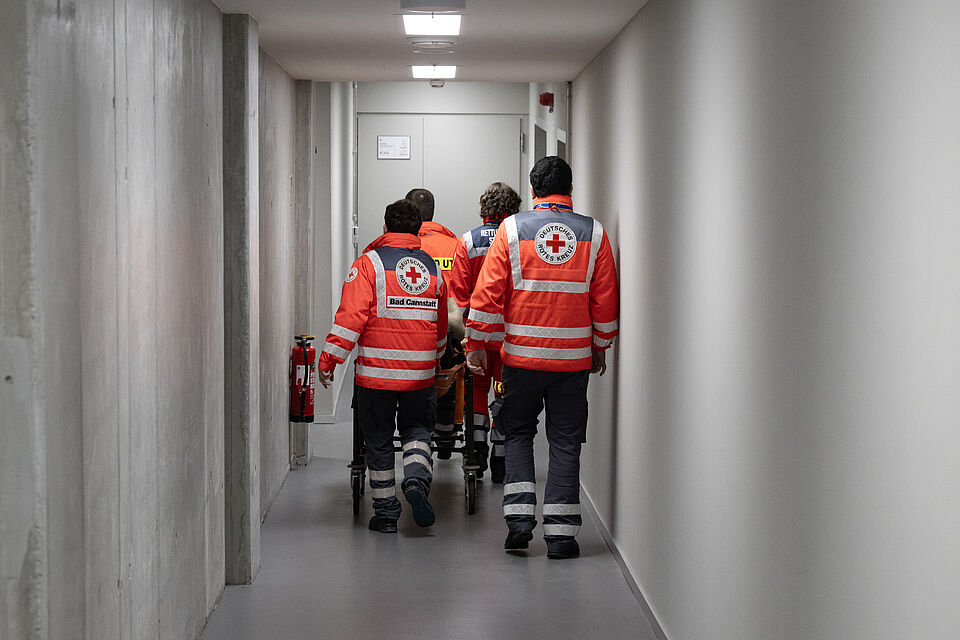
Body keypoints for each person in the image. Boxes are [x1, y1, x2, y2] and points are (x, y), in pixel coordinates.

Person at [465, 157, 619, 559]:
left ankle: (519, 522)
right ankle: (561, 537)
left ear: (533, 191)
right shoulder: (595, 233)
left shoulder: (511, 230)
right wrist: (600, 346)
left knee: (516, 433)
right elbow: (605, 302)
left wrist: (476, 344)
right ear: (570, 190)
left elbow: (487, 294)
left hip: (520, 360)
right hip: (571, 363)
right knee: (565, 442)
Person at [318, 199, 448, 534]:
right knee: (418, 430)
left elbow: (350, 319)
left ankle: (387, 513)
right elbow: (441, 326)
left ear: (385, 226)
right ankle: (417, 481)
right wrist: (435, 359)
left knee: (377, 438)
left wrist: (330, 358)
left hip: (376, 375)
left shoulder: (368, 265)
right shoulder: (432, 269)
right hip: (419, 375)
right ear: (418, 230)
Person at [448, 182, 523, 483]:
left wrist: (473, 323)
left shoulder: (467, 241)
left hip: (477, 333)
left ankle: (475, 450)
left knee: (477, 391)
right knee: (503, 390)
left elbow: (458, 293)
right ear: (511, 210)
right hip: (510, 335)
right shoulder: (519, 239)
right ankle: (501, 457)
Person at [405, 188, 461, 459]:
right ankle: (447, 433)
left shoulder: (397, 246)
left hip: (404, 335)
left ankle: (414, 436)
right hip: (445, 332)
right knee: (452, 363)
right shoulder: (454, 245)